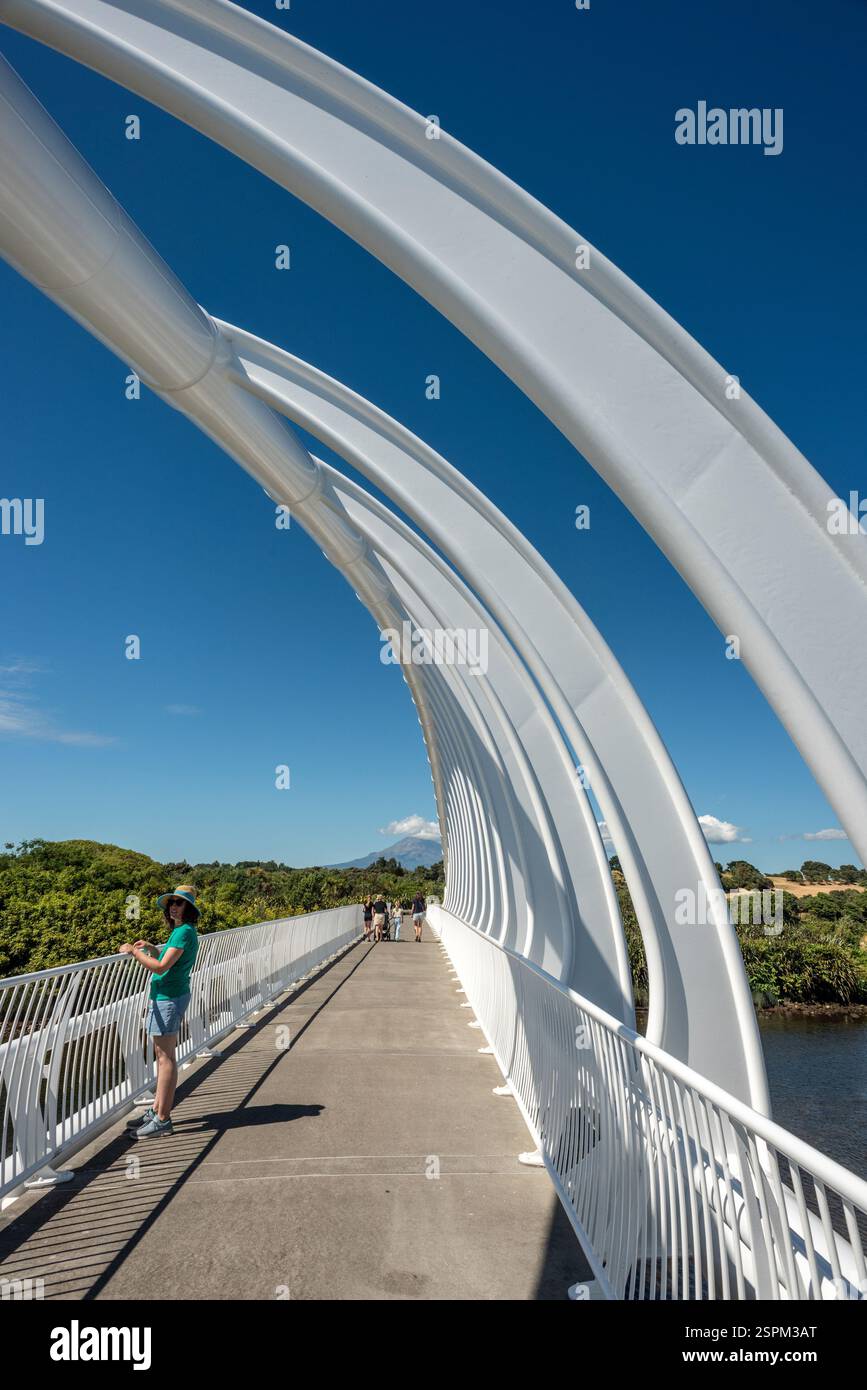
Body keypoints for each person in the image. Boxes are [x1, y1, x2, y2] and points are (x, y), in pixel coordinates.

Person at [120, 885, 201, 1139]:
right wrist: (153, 948)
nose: (174, 907)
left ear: (188, 909)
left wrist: (133, 952)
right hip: (168, 996)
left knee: (165, 1060)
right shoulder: (183, 932)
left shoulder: (183, 932)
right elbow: (167, 960)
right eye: (171, 903)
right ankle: (156, 1109)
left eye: (179, 903)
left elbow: (160, 968)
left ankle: (163, 1119)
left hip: (169, 998)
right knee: (162, 1056)